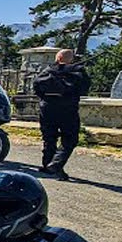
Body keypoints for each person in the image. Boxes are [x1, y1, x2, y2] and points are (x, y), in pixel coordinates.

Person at [33, 49, 91, 181]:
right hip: (67, 108)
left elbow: (36, 86)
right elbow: (85, 88)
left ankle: (48, 165)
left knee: (49, 137)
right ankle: (55, 164)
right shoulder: (77, 71)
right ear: (71, 59)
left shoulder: (47, 70)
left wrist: (45, 98)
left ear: (58, 58)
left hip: (47, 107)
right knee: (70, 138)